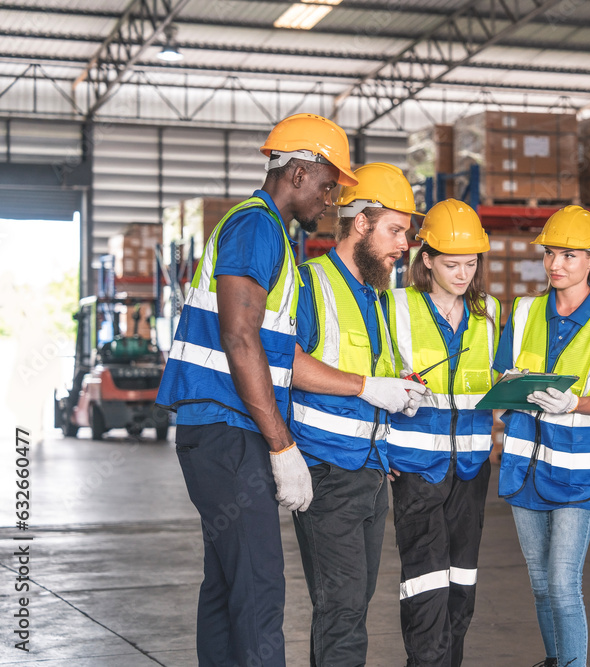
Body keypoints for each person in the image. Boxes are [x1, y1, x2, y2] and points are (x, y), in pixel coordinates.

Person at [155, 112, 356, 667]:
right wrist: (281, 445)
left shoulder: (268, 233)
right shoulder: (256, 226)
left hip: (218, 429)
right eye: (328, 183)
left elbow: (271, 349)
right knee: (261, 585)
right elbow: (239, 337)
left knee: (227, 585)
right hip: (228, 429)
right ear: (297, 172)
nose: (331, 198)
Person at [288, 162, 430, 666]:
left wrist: (403, 391)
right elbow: (284, 360)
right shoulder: (310, 284)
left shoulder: (378, 297)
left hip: (371, 471)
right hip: (326, 472)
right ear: (361, 224)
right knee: (342, 610)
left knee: (354, 604)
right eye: (395, 230)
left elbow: (379, 377)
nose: (404, 245)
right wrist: (368, 387)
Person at [494, 206, 590, 667]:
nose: (556, 264)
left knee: (561, 583)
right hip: (524, 467)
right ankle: (556, 660)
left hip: (578, 473)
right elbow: (500, 375)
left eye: (569, 255)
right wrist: (509, 385)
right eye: (550, 253)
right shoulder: (522, 313)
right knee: (540, 584)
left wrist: (574, 402)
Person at [383, 198, 499, 667]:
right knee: (425, 585)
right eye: (451, 264)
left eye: (471, 263)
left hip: (471, 468)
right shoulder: (395, 307)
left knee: (461, 586)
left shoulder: (488, 311)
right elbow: (375, 379)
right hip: (414, 468)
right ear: (425, 259)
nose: (462, 273)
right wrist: (379, 447)